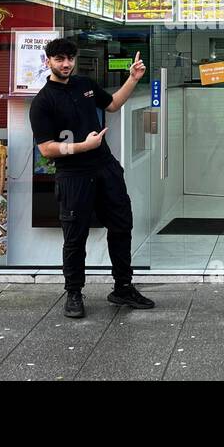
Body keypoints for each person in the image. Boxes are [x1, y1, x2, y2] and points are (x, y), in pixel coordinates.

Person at [29, 38, 155, 318]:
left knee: (122, 227)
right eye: (60, 59)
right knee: (75, 237)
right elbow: (46, 149)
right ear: (47, 61)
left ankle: (123, 287)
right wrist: (82, 147)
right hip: (73, 175)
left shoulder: (85, 84)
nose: (66, 64)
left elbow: (111, 105)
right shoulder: (42, 102)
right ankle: (74, 293)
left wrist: (133, 79)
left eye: (70, 58)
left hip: (106, 168)